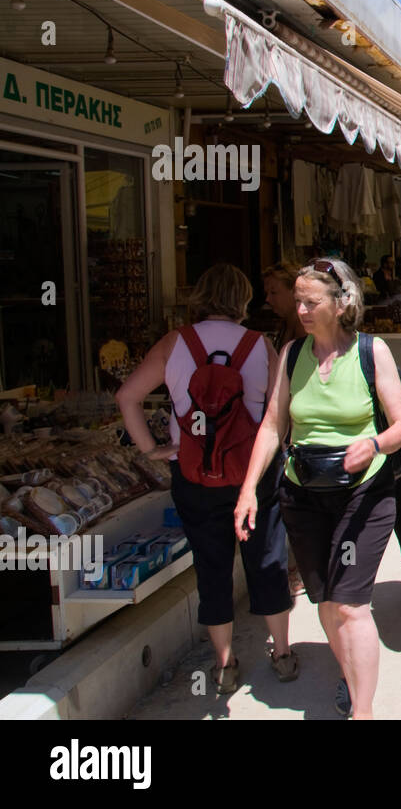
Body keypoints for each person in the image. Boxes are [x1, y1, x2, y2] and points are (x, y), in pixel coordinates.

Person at [236, 258, 401, 719]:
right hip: (303, 495)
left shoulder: (372, 353)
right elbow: (273, 427)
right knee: (327, 601)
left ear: (341, 303)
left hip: (364, 496)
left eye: (311, 302)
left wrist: (372, 443)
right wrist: (249, 488)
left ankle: (362, 709)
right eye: (297, 301)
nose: (301, 310)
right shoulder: (293, 355)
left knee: (351, 604)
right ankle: (349, 673)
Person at [116, 264, 295, 695]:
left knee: (210, 566)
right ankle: (283, 653)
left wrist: (152, 450)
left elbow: (126, 397)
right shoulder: (258, 345)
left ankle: (224, 663)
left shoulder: (175, 343)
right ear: (242, 300)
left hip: (194, 474)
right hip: (252, 474)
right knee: (267, 559)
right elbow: (280, 414)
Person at [262, 260, 307, 597]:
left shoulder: (303, 332)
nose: (268, 299)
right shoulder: (286, 328)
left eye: (274, 291)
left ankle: (301, 568)